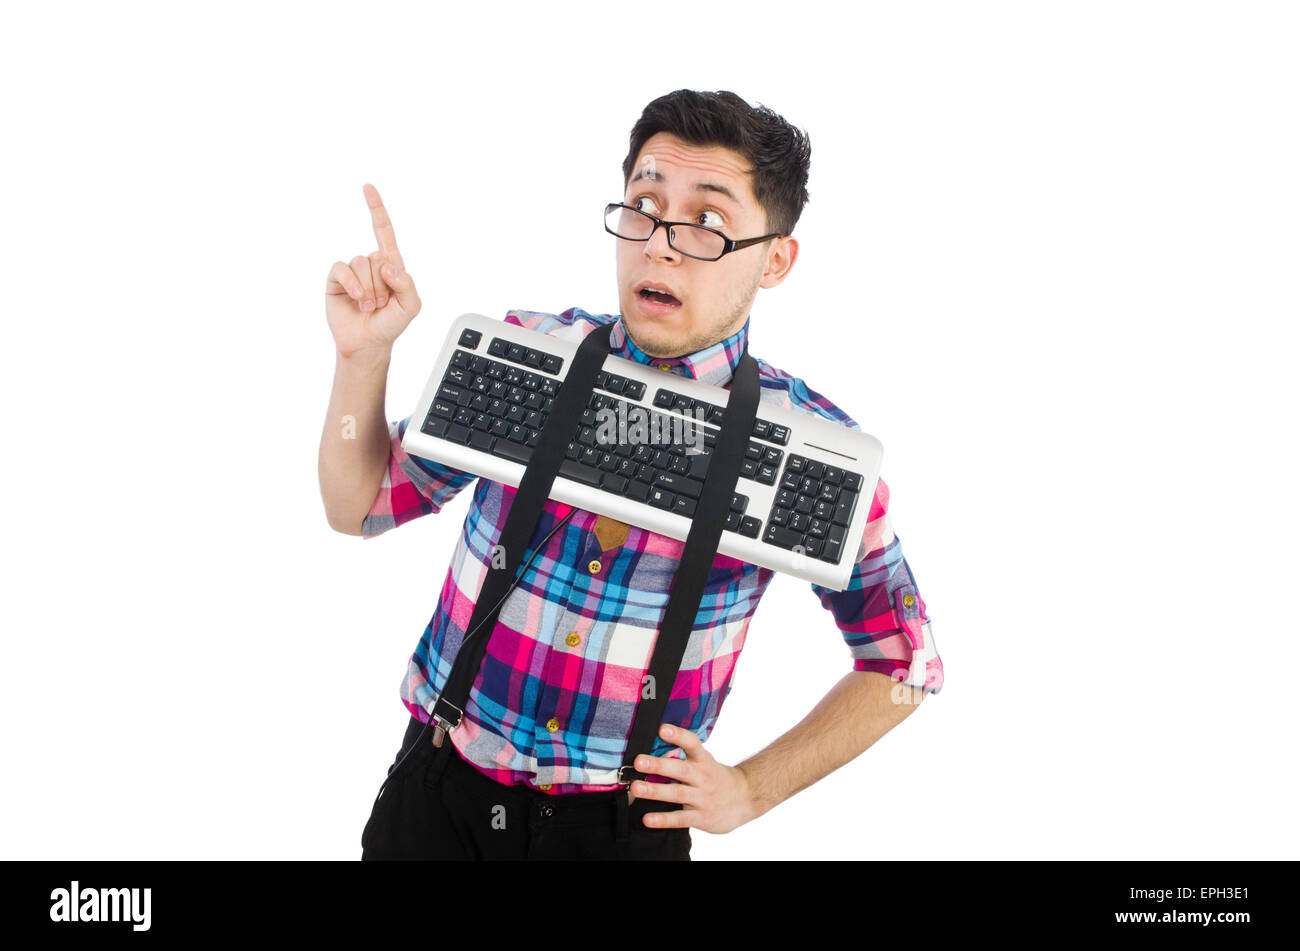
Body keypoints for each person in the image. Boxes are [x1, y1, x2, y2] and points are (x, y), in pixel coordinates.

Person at [319, 89, 944, 861]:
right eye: (644, 205)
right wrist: (363, 358)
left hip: (618, 835)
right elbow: (361, 505)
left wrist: (753, 788)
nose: (660, 243)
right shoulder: (525, 355)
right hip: (436, 799)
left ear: (775, 257)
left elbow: (906, 664)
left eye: (707, 222)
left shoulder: (815, 451)